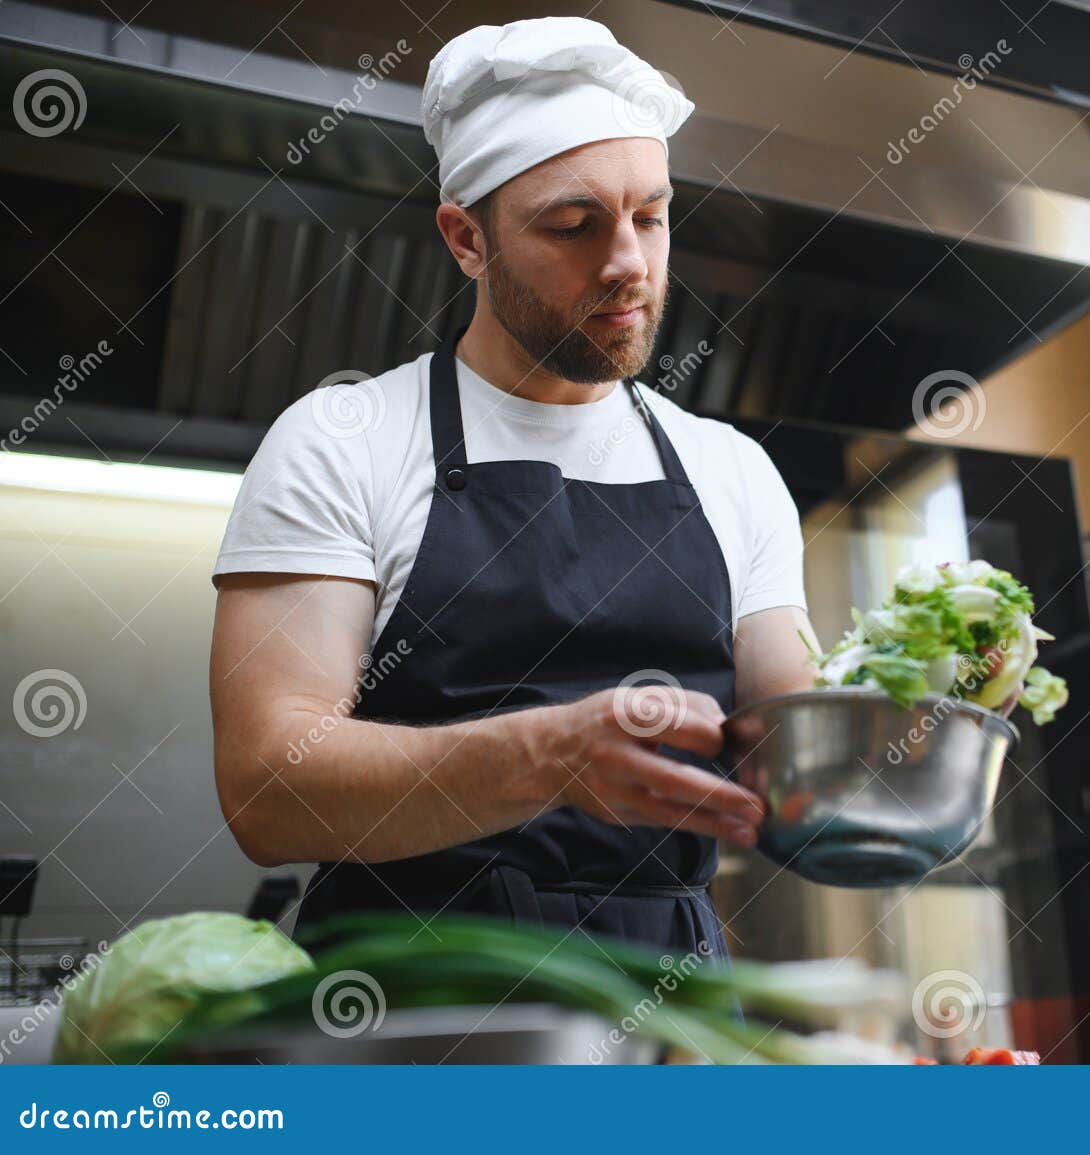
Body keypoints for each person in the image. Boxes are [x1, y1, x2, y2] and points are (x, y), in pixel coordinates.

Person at [208, 17, 821, 958]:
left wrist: (923, 707)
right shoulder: (344, 442)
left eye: (651, 216)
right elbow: (266, 789)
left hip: (673, 1018)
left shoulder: (729, 468)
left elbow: (794, 758)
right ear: (466, 239)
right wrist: (548, 757)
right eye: (573, 225)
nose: (628, 262)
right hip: (409, 1011)